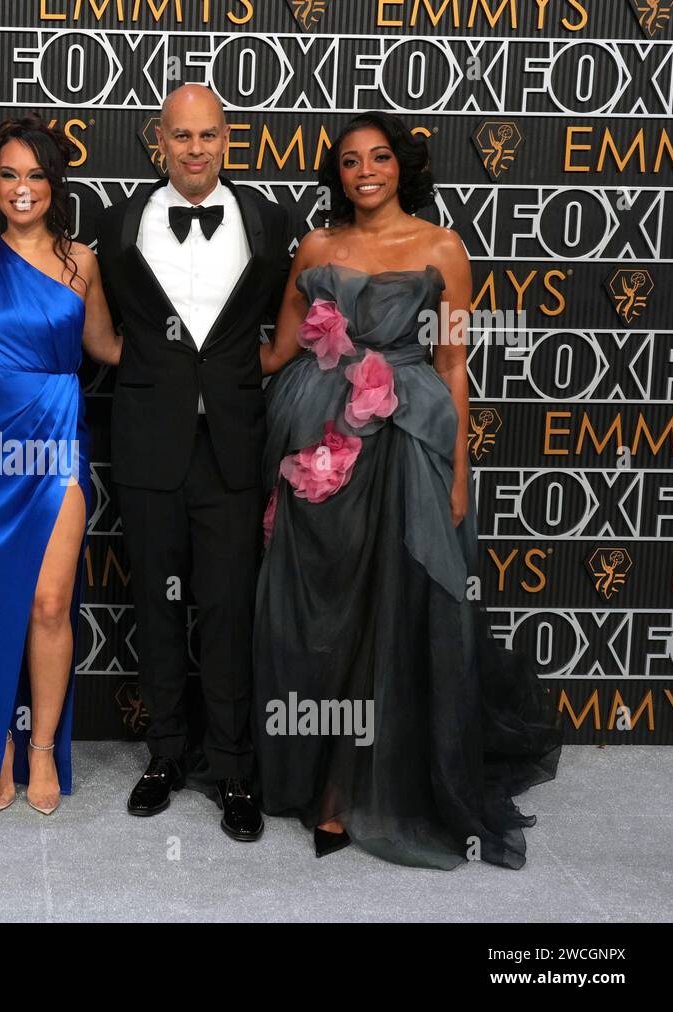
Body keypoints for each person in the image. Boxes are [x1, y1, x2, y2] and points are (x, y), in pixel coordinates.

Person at [255, 111, 562, 867]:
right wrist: (189, 357)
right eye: (351, 159)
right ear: (337, 173)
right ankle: (323, 768)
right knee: (322, 607)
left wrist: (457, 469)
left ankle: (358, 791)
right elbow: (279, 349)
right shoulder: (317, 247)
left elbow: (454, 363)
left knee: (392, 607)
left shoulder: (442, 248)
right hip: (317, 443)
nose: (365, 170)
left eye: (380, 157)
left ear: (402, 167)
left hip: (406, 443)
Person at [95, 84, 290, 842]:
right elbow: (102, 336)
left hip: (235, 447)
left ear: (227, 138)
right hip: (148, 445)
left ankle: (233, 766)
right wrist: (159, 378)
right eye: (181, 136)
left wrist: (234, 378)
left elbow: (287, 331)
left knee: (229, 610)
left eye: (208, 135)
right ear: (160, 140)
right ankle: (167, 754)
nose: (195, 149)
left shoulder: (271, 223)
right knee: (156, 607)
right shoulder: (118, 226)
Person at [0, 114, 121, 814]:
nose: (21, 187)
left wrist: (196, 358)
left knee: (48, 602)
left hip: (55, 439)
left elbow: (105, 348)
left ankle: (41, 750)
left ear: (54, 183)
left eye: (35, 174)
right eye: (8, 174)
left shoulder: (83, 262)